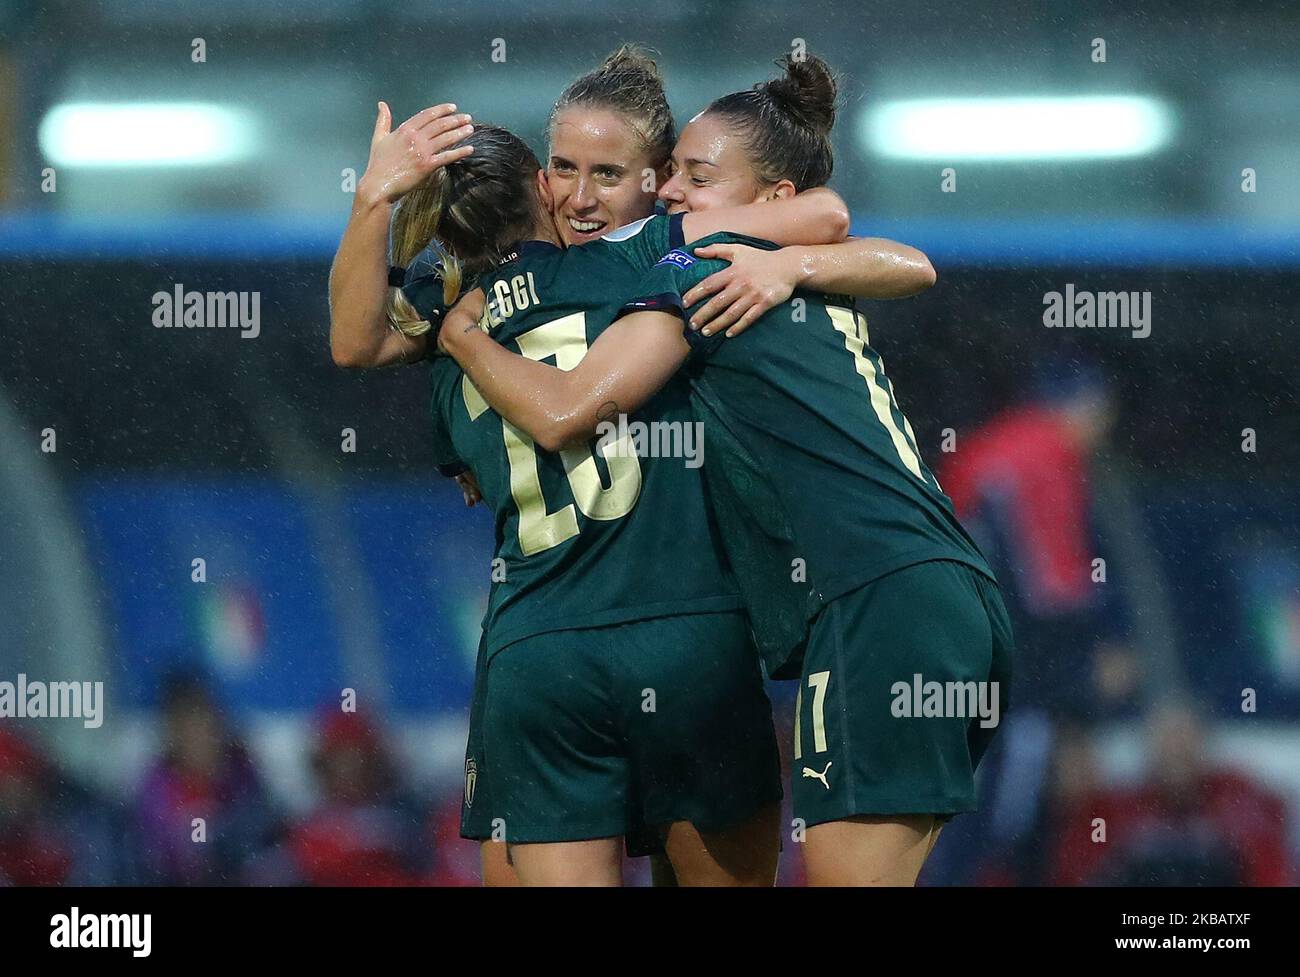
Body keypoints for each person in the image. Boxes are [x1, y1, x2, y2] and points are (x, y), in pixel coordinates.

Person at [330, 48, 935, 885]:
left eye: (607, 173)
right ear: (540, 184)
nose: (581, 196)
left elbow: (352, 341)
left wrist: (374, 202)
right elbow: (828, 214)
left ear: (659, 177)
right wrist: (786, 258)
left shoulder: (447, 310)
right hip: (689, 633)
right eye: (567, 170)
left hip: (537, 653)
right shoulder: (661, 251)